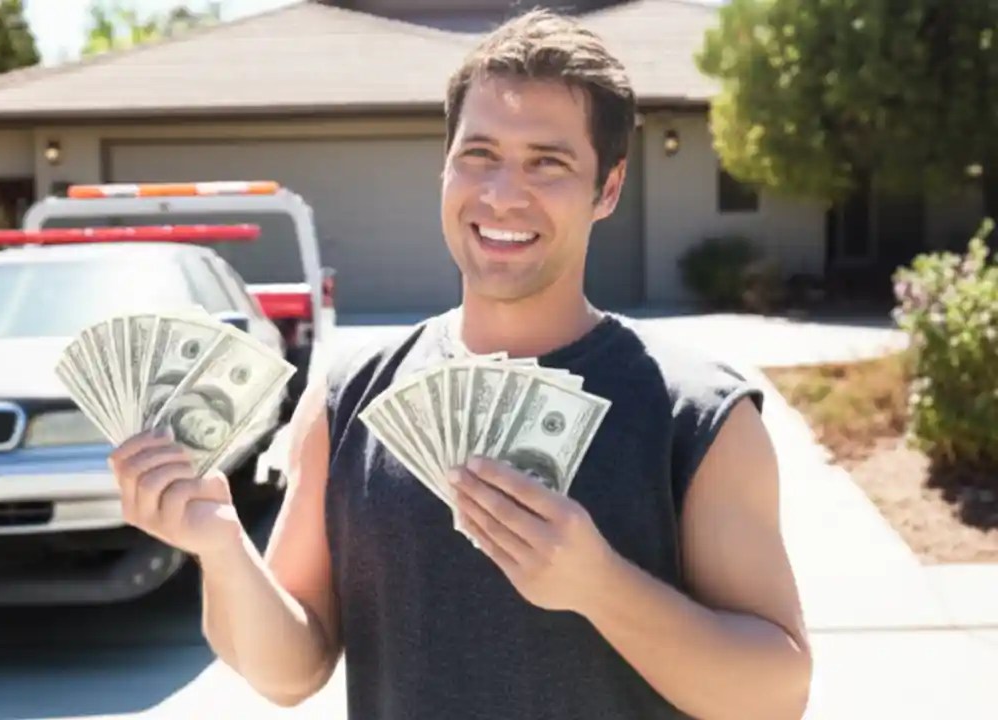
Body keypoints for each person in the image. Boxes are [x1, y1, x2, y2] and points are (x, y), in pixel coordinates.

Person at [108, 9, 813, 719]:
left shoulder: (698, 415)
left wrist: (598, 586)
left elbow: (777, 695)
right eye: (480, 154)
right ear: (444, 167)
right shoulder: (352, 399)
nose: (504, 193)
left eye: (549, 161)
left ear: (608, 188)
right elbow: (291, 671)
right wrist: (222, 550)